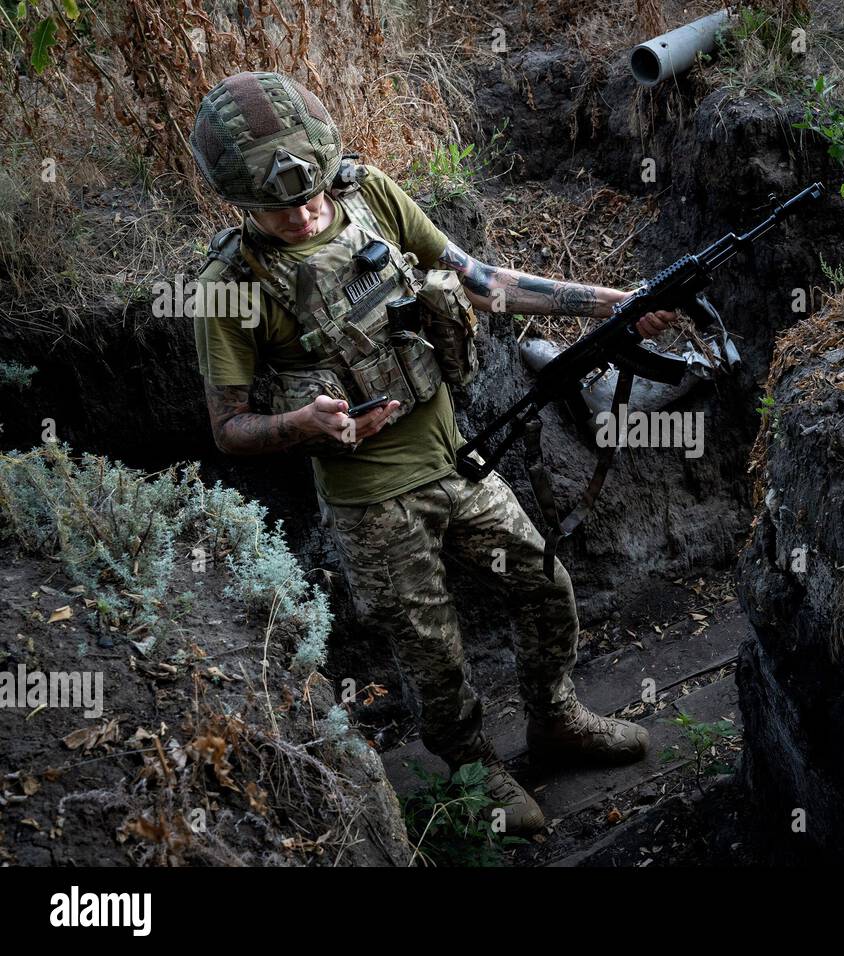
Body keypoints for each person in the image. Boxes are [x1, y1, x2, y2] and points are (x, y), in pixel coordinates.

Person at [188, 71, 675, 834]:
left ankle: (556, 718)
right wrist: (304, 426)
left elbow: (483, 282)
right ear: (240, 203)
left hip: (458, 462)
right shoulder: (231, 285)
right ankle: (477, 775)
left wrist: (617, 304)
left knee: (546, 587)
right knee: (433, 657)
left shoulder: (370, 196)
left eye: (312, 191)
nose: (306, 210)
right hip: (372, 503)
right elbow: (227, 428)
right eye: (282, 207)